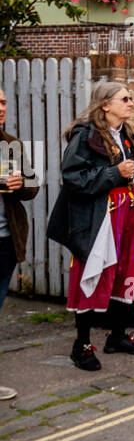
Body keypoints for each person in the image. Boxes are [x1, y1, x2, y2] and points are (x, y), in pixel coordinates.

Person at [47, 80, 134, 372]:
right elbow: (73, 177)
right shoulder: (85, 136)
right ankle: (81, 344)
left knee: (126, 272)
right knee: (94, 273)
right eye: (125, 98)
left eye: (131, 98)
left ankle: (118, 335)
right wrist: (113, 172)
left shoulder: (129, 137)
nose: (131, 102)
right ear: (105, 104)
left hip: (128, 216)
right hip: (98, 218)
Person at [0, 85, 40, 399]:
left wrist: (20, 183)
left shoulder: (11, 144)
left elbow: (32, 186)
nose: (1, 108)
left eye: (2, 102)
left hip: (6, 241)